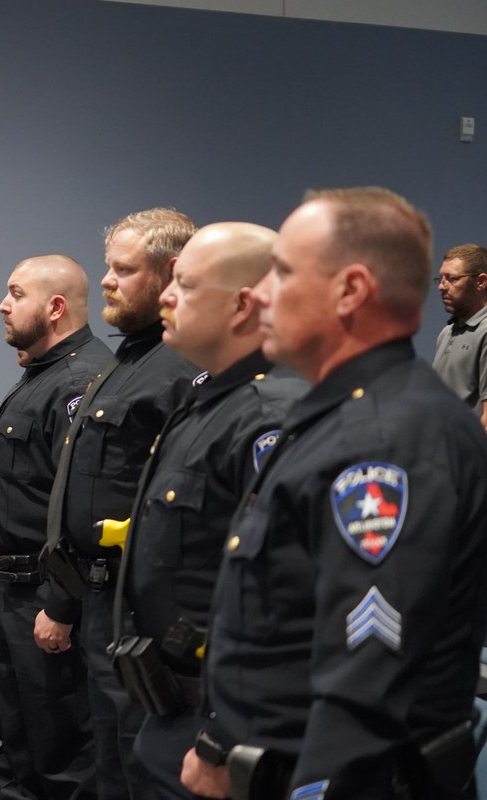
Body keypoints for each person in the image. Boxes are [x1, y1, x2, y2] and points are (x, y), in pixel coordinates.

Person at [182, 188, 487, 799]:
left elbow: (369, 666)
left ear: (350, 291)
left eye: (283, 273)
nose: (260, 294)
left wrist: (315, 786)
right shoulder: (337, 414)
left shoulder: (387, 437)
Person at [110, 222, 307, 798]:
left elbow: (288, 597)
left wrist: (227, 737)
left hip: (226, 724)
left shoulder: (269, 416)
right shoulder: (207, 402)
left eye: (185, 285)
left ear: (243, 304)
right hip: (171, 708)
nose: (166, 296)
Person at [42, 208, 198, 800]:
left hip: (144, 610)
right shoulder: (127, 362)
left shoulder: (182, 368)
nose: (106, 280)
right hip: (98, 601)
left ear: (170, 273)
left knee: (142, 766)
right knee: (107, 760)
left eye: (122, 270)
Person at [0, 254, 113, 800]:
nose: (2, 304)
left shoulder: (79, 382)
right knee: (15, 736)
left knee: (59, 751)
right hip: (8, 587)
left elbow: (87, 506)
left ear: (55, 307)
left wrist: (62, 605)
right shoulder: (40, 375)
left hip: (45, 596)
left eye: (15, 293)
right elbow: (9, 469)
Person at [432, 243, 487, 429]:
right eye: (440, 279)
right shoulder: (446, 333)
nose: (441, 286)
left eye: (452, 279)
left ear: (481, 281)